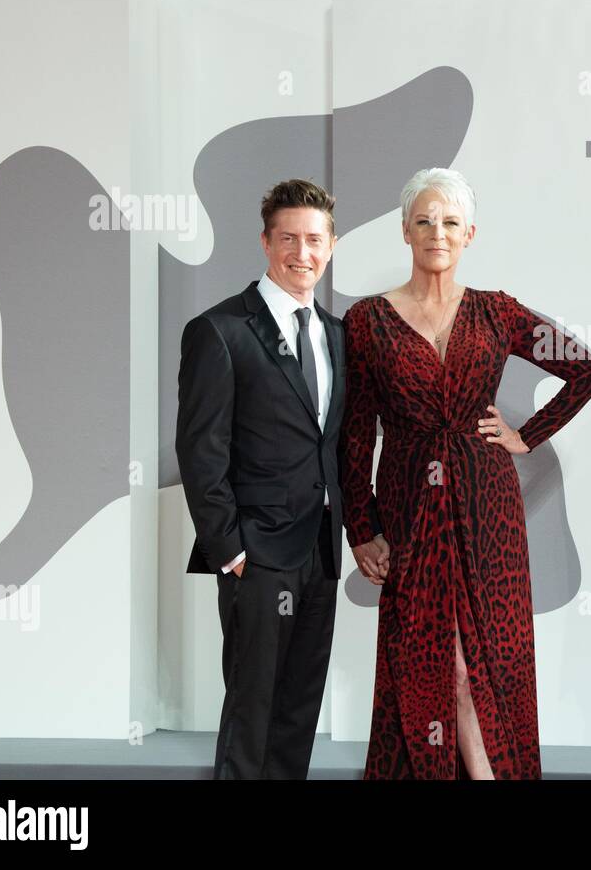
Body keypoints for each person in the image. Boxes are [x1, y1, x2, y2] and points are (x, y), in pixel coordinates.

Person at [342, 167, 591, 779]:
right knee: (432, 659)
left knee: (485, 659)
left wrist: (525, 436)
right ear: (405, 231)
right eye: (426, 220)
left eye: (451, 222)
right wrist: (361, 526)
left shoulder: (497, 312)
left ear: (470, 236)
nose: (438, 232)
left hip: (488, 504)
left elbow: (586, 371)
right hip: (409, 505)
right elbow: (355, 433)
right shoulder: (368, 321)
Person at [175, 178, 388, 778]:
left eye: (315, 239)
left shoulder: (338, 336)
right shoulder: (220, 331)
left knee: (298, 709)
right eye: (289, 238)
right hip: (257, 552)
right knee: (253, 707)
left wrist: (355, 531)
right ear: (266, 242)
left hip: (319, 549)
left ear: (332, 245)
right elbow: (200, 449)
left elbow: (338, 445)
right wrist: (230, 550)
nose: (303, 252)